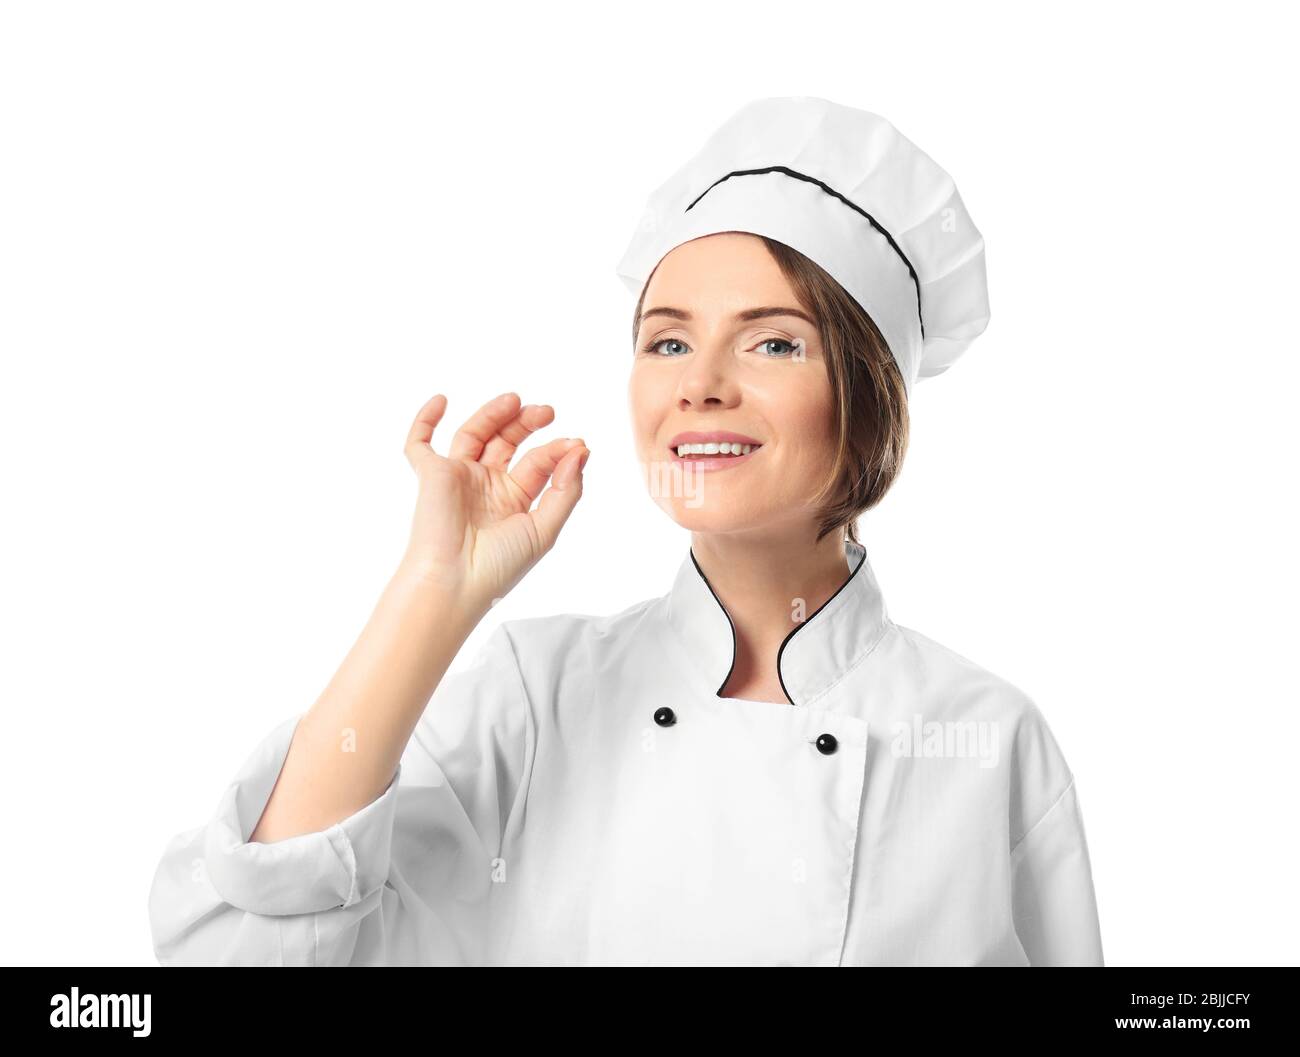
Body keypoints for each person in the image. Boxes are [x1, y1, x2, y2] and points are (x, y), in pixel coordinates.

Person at [147, 96, 1104, 966]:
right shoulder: (537, 698)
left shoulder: (985, 740)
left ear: (869, 395)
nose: (700, 383)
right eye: (668, 340)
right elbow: (245, 945)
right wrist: (431, 591)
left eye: (774, 340)